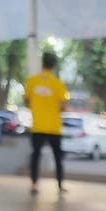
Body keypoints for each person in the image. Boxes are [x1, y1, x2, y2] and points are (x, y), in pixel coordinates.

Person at [24, 52, 69, 194]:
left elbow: (26, 100)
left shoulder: (32, 81)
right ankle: (60, 185)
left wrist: (36, 106)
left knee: (35, 155)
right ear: (54, 65)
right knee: (58, 157)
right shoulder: (58, 83)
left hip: (37, 125)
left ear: (42, 62)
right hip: (54, 127)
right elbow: (63, 105)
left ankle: (34, 184)